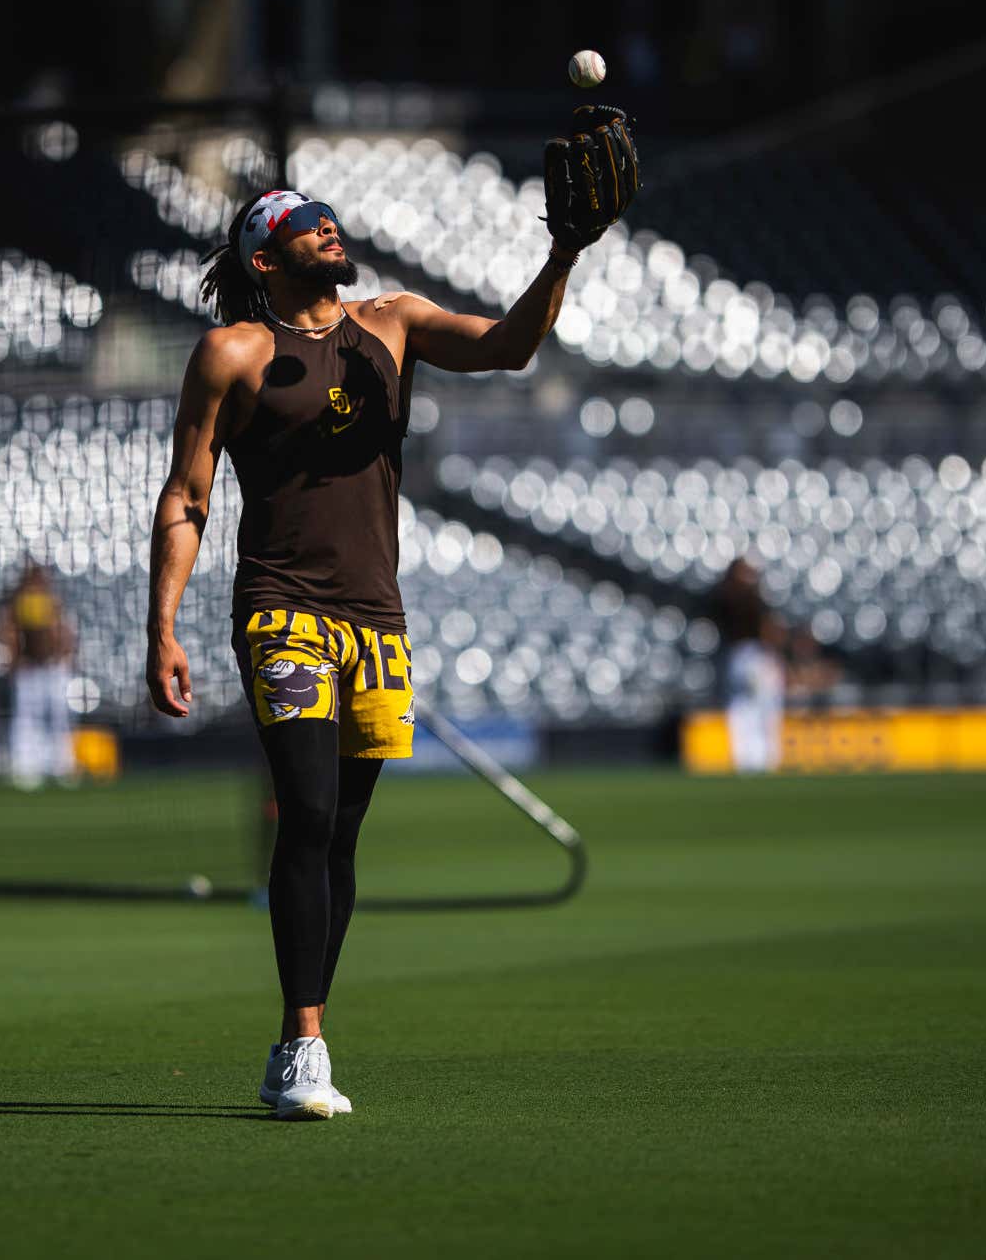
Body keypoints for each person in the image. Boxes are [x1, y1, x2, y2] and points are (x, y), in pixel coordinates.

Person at [145, 123, 635, 1120]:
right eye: (306, 225)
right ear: (264, 258)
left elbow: (506, 347)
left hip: (376, 618)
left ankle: (301, 1036)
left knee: (341, 836)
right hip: (282, 608)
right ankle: (303, 1046)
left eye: (328, 218)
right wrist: (163, 626)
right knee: (307, 812)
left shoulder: (394, 321)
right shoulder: (232, 352)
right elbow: (186, 496)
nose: (329, 228)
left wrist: (564, 252)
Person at [0, 561, 76, 789]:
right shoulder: (19, 602)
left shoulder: (51, 601)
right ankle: (27, 767)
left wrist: (64, 658)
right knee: (26, 719)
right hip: (29, 669)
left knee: (58, 718)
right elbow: (9, 633)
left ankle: (61, 766)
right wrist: (14, 661)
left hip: (52, 668)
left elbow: (63, 633)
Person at [712, 556, 786, 773]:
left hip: (741, 655)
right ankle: (757, 758)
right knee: (756, 706)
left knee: (749, 707)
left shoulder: (729, 595)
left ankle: (752, 758)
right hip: (751, 655)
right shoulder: (745, 597)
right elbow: (767, 630)